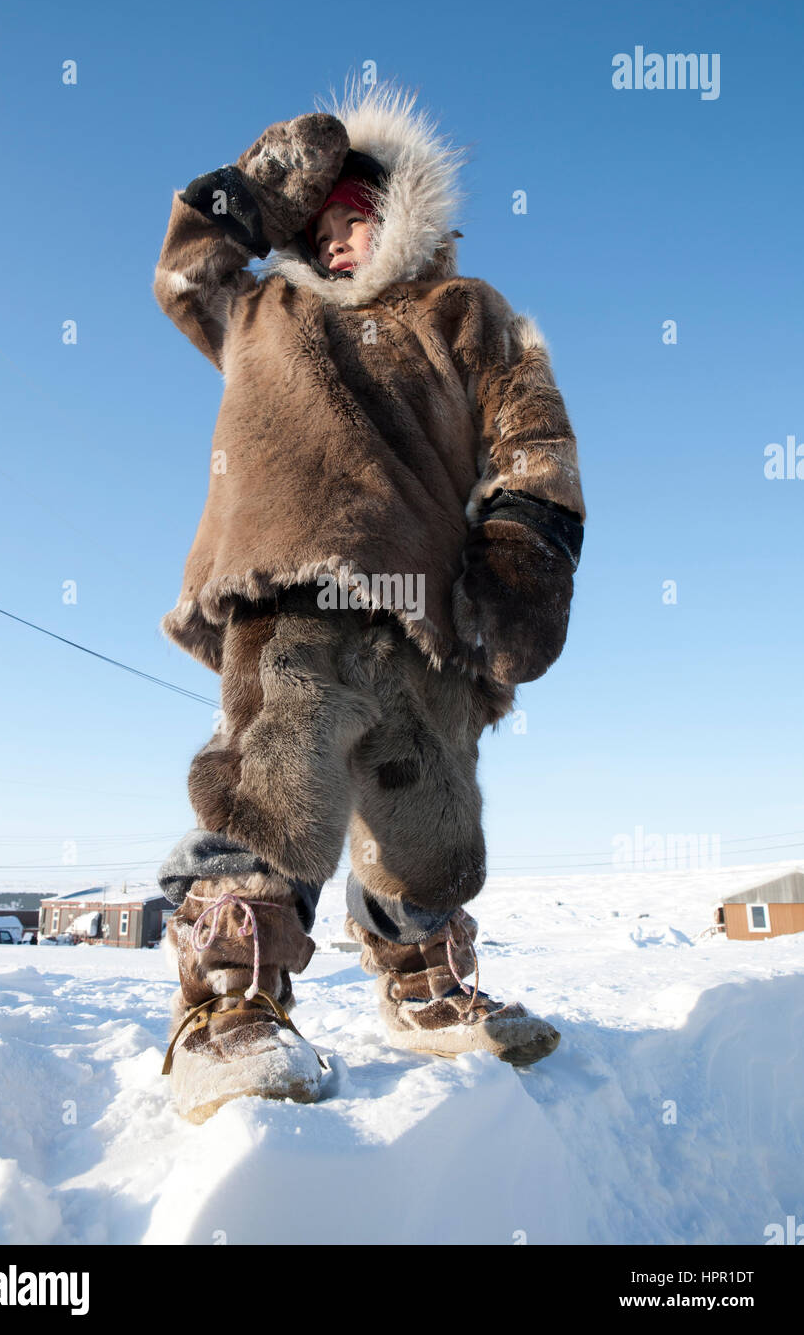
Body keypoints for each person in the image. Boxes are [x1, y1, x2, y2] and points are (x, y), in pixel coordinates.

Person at [152, 80, 585, 1122]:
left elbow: (533, 448)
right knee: (279, 764)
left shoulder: (466, 311)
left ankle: (419, 974)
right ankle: (230, 998)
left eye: (358, 218)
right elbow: (187, 267)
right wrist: (260, 188)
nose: (339, 240)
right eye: (323, 223)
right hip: (290, 571)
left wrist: (515, 571)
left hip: (428, 603)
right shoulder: (263, 309)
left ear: (402, 218)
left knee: (429, 808)